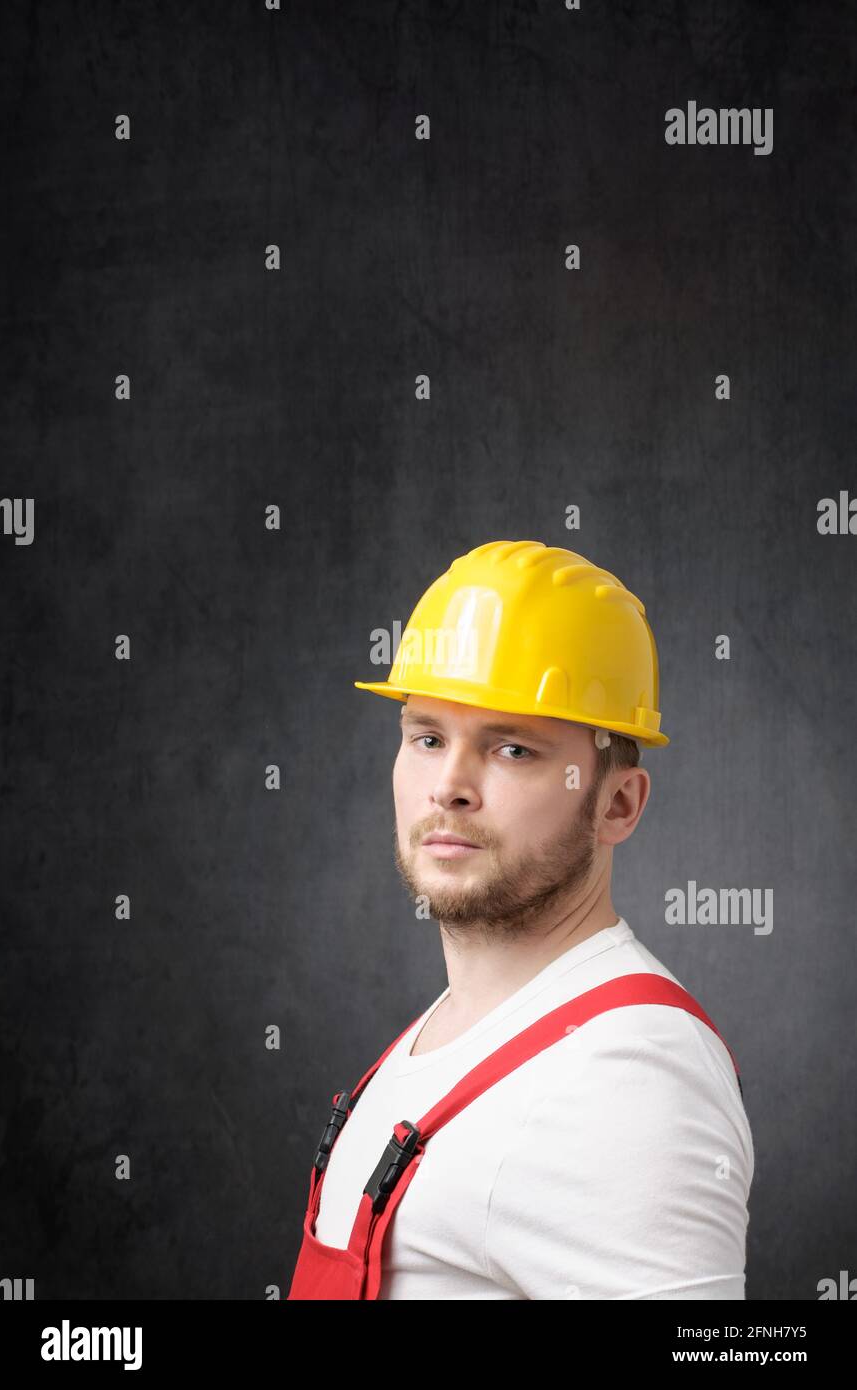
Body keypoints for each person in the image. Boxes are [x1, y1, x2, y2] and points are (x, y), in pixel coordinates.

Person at [287, 539, 754, 1300]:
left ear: (617, 804)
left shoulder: (628, 1075)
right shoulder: (452, 1028)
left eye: (511, 749)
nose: (449, 786)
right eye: (428, 737)